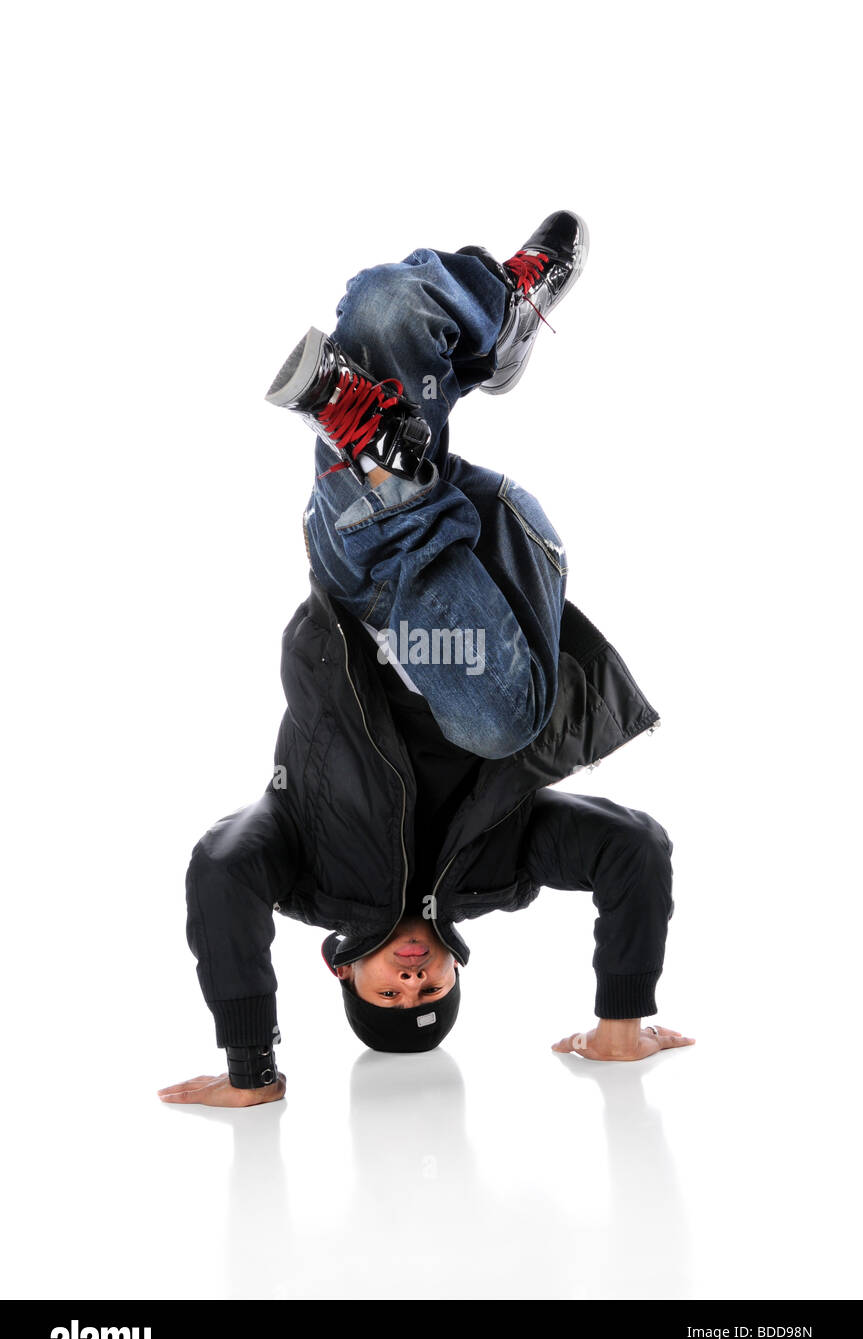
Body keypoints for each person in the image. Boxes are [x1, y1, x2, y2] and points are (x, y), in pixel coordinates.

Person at [158, 211, 695, 1110]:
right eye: (429, 994)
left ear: (345, 971)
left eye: (389, 993)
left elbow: (218, 872)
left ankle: (412, 412)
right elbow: (633, 851)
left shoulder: (301, 875)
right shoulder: (501, 872)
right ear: (452, 973)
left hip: (356, 577)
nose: (411, 979)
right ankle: (387, 450)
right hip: (487, 575)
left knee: (385, 308)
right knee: (499, 721)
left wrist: (251, 1062)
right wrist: (621, 1019)